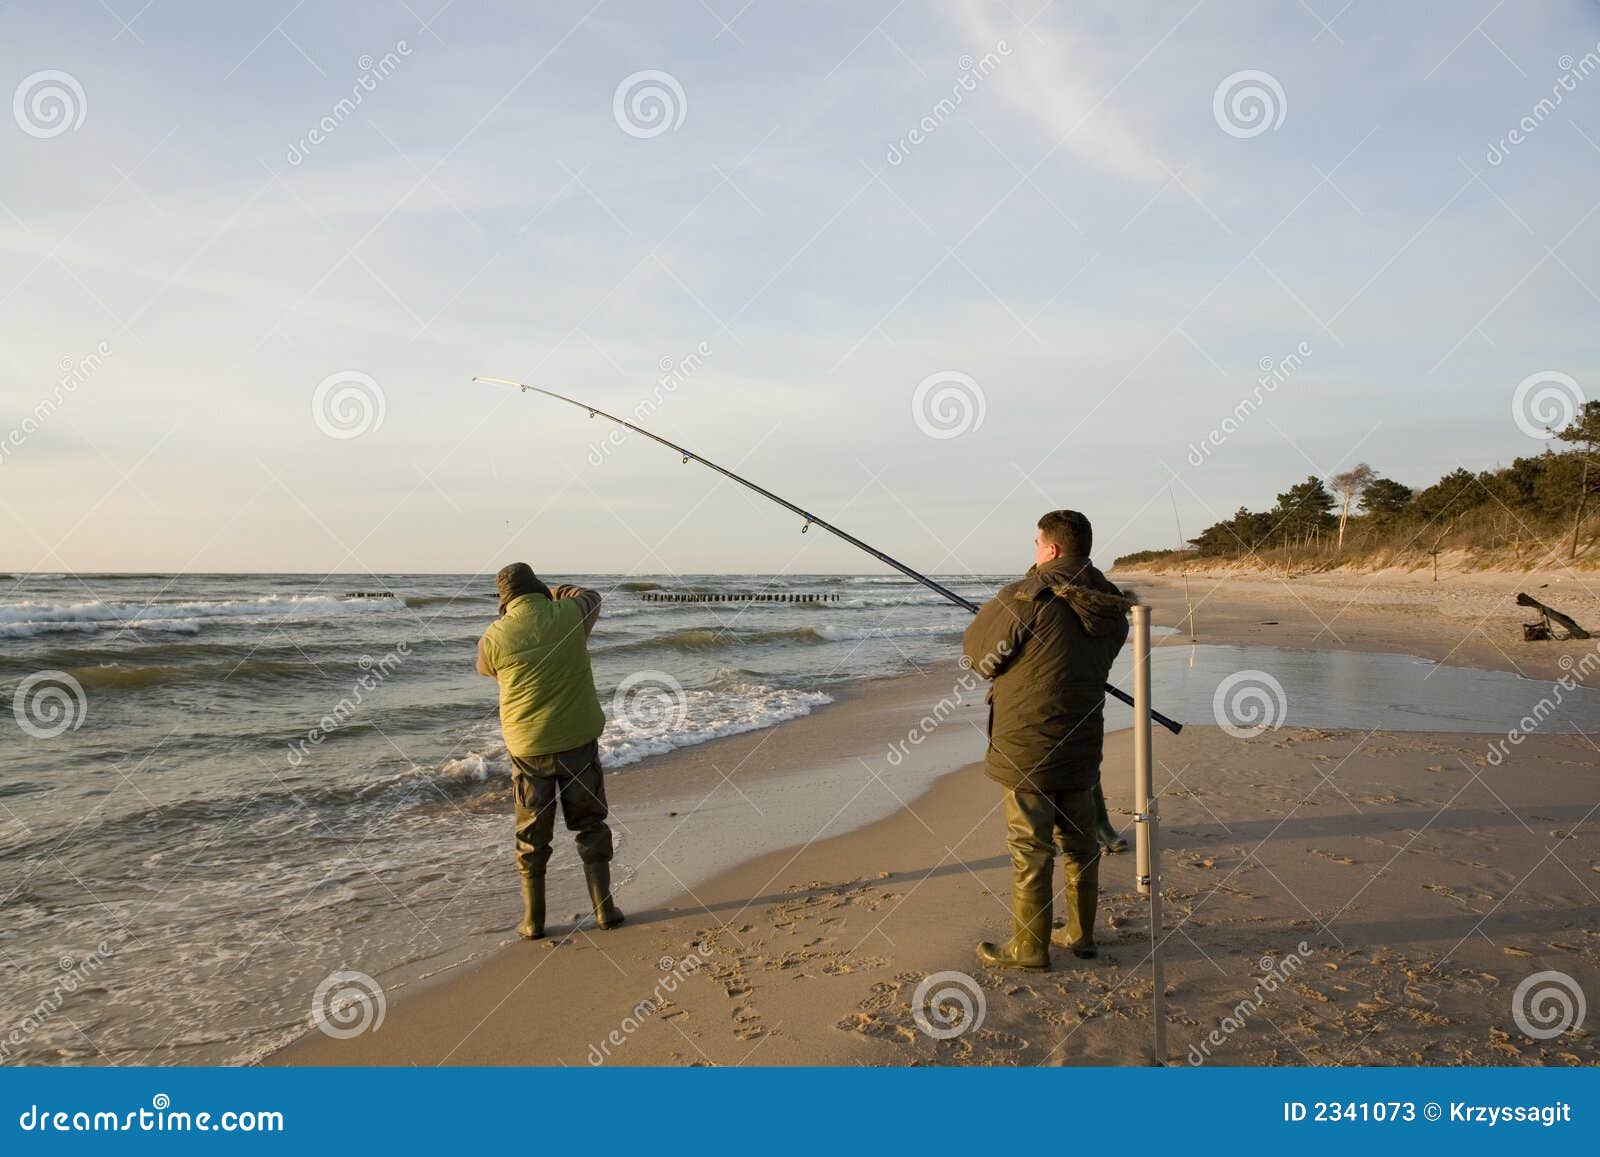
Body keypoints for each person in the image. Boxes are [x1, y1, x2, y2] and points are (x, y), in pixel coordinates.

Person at [962, 510, 1131, 971]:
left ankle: (1030, 947)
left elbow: (978, 657)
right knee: (1080, 844)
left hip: (1026, 745)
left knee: (1030, 847)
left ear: (1051, 549)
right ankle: (1080, 934)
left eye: (1037, 544)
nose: (1034, 551)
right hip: (1082, 737)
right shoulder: (1110, 602)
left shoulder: (1024, 596)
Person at [476, 563, 623, 940]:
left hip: (528, 748)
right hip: (577, 741)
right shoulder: (570, 616)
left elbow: (486, 670)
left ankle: (533, 921)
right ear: (539, 589)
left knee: (531, 836)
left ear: (505, 600)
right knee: (590, 824)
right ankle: (604, 910)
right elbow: (592, 597)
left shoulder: (494, 636)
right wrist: (558, 592)